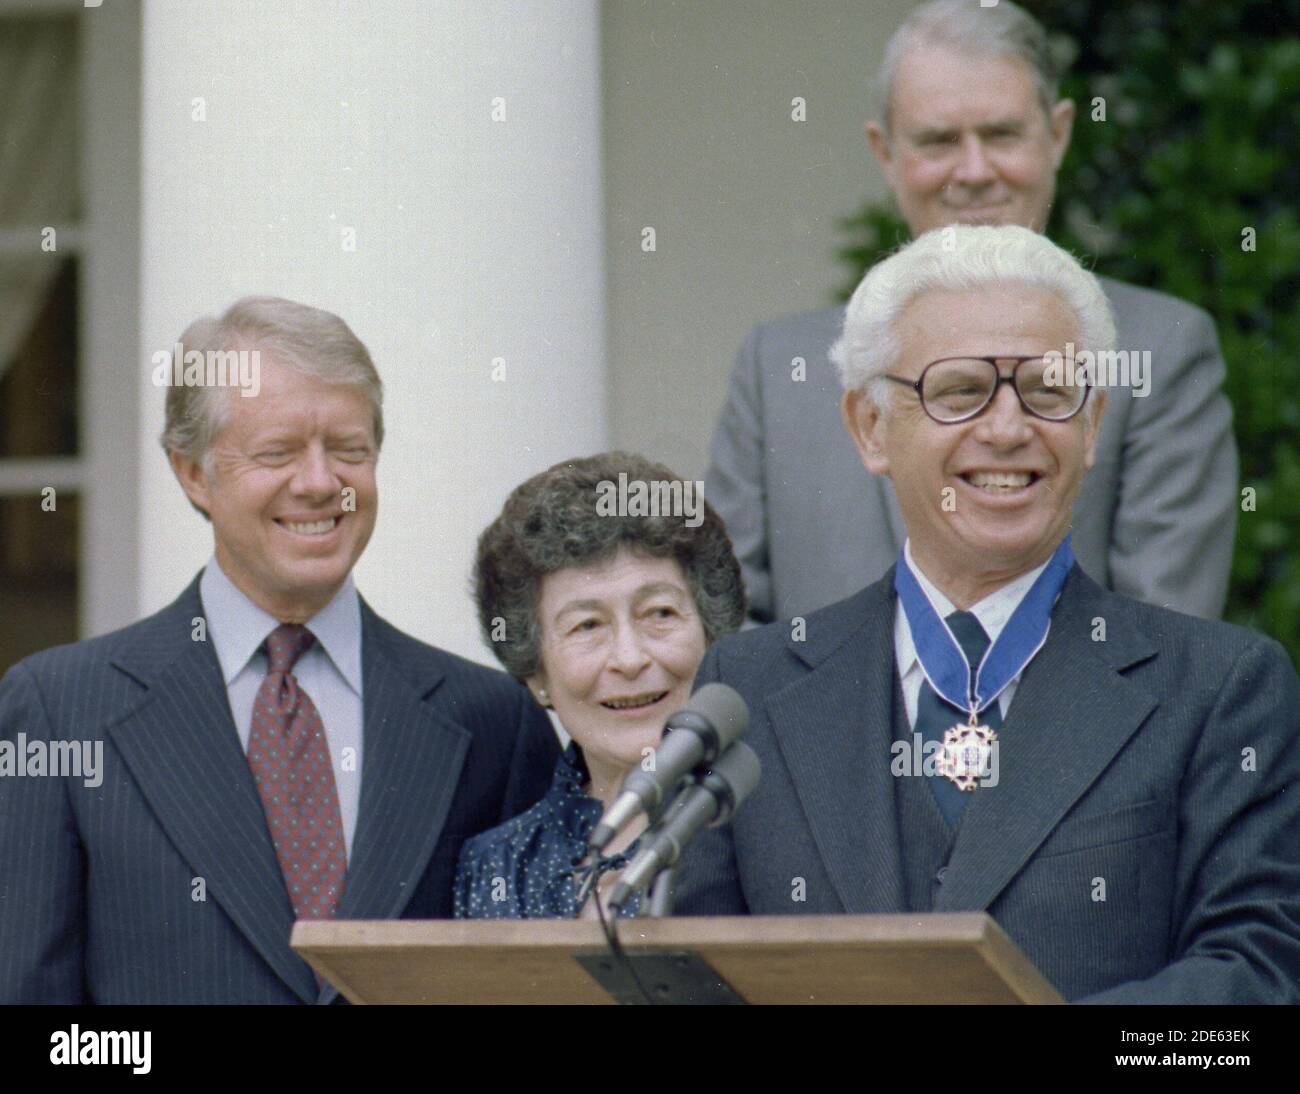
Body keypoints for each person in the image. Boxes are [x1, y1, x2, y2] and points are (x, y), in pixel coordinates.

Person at [673, 225, 1300, 1003]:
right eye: (960, 390)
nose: (1008, 429)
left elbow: (1256, 991)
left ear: (1093, 424)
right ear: (870, 428)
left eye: (1047, 390)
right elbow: (697, 980)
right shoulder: (751, 690)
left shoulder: (1220, 689)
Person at [0, 296, 558, 1003]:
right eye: (279, 452)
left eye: (349, 449)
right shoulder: (61, 710)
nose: (321, 481)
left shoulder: (492, 721)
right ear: (192, 473)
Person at [708, 0, 1237, 625]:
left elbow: (1165, 647)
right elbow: (727, 635)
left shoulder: (1161, 351)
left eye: (1001, 134)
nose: (974, 171)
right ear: (884, 152)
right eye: (938, 140)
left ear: (1059, 134)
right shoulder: (779, 369)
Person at [454, 452, 744, 919]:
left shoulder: (776, 837)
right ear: (536, 673)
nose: (629, 659)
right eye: (587, 626)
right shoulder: (498, 867)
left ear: (712, 633)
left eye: (660, 614)